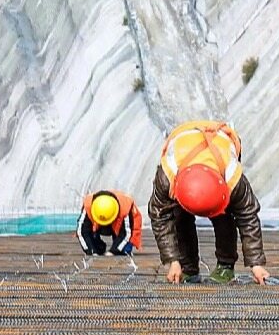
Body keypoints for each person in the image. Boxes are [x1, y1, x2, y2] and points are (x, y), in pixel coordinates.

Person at [147, 121, 268, 285]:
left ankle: (225, 266)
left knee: (224, 216)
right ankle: (186, 268)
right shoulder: (168, 176)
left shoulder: (232, 178)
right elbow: (159, 216)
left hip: (221, 145)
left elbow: (248, 217)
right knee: (179, 217)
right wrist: (173, 261)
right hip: (185, 142)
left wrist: (256, 264)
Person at [79, 189, 143, 256]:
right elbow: (82, 232)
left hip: (123, 224)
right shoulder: (88, 206)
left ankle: (119, 248)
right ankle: (99, 247)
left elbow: (127, 234)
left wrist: (114, 251)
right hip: (97, 223)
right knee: (94, 247)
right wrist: (91, 251)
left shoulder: (125, 208)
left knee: (123, 251)